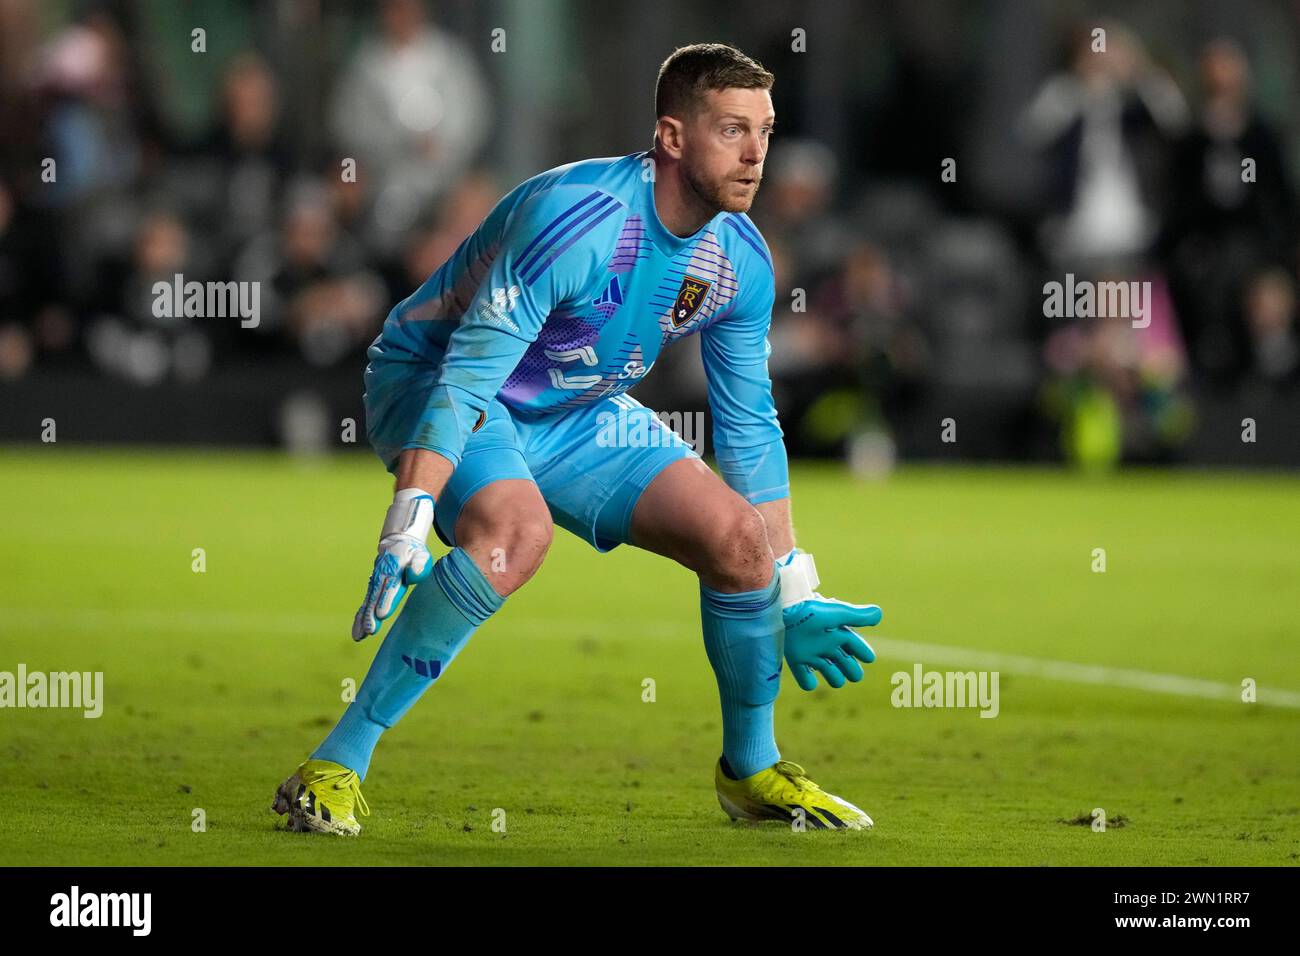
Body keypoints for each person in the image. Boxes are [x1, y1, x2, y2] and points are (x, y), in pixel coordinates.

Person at [272, 43, 882, 836]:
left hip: (575, 402)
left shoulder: (739, 262)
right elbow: (468, 371)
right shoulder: (579, 219)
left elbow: (749, 425)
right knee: (514, 536)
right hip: (438, 380)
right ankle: (336, 762)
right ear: (670, 137)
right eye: (732, 130)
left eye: (764, 131)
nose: (757, 153)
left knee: (738, 541)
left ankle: (752, 771)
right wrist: (412, 511)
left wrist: (791, 580)